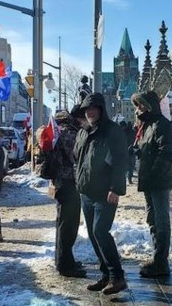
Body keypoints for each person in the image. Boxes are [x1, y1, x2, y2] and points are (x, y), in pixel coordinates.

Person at [73, 92, 129, 295]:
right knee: (92, 234)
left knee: (100, 231)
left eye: (93, 108)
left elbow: (121, 161)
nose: (90, 113)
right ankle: (106, 275)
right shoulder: (83, 132)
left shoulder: (111, 131)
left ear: (101, 110)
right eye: (87, 109)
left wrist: (116, 188)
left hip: (106, 193)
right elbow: (76, 159)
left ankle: (117, 276)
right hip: (86, 192)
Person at [131, 90, 172, 278]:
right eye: (137, 105)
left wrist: (154, 172)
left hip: (158, 180)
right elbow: (150, 149)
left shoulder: (162, 124)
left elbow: (166, 152)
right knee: (152, 219)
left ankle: (161, 262)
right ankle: (158, 257)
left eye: (141, 105)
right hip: (149, 179)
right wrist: (139, 151)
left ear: (150, 106)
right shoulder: (146, 125)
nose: (138, 109)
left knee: (161, 220)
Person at [45, 104, 87, 277]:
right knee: (67, 226)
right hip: (68, 183)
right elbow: (75, 158)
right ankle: (65, 265)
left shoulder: (63, 130)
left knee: (64, 223)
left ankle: (64, 260)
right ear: (79, 118)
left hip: (62, 183)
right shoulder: (70, 133)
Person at [121, 120, 137, 185]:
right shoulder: (133, 132)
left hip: (125, 151)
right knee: (131, 166)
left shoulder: (122, 132)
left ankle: (125, 180)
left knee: (125, 167)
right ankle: (129, 179)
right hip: (131, 151)